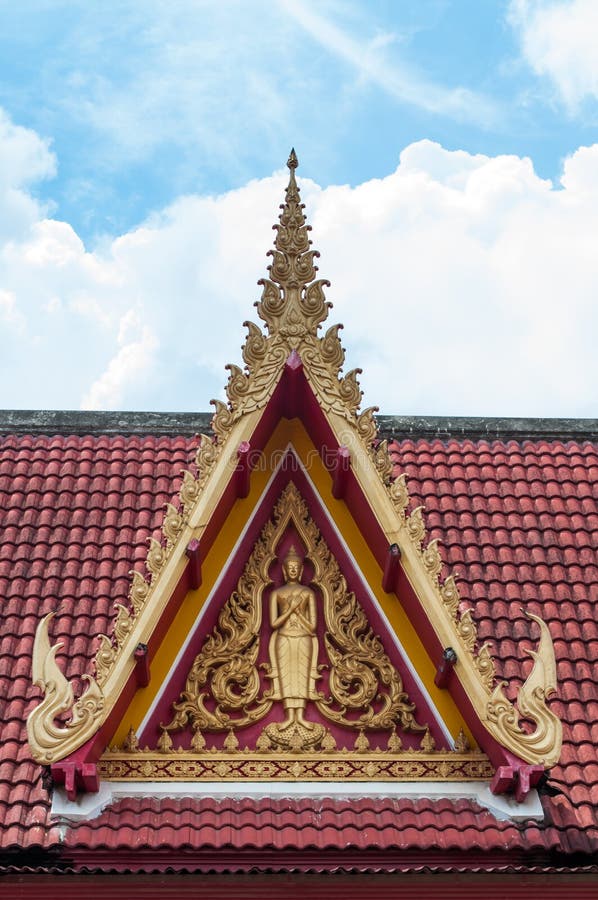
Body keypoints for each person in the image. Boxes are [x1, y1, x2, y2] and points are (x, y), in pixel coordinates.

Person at [267, 546, 319, 729]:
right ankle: (289, 716)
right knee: (287, 675)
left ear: (302, 569)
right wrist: (290, 609)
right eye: (290, 567)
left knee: (301, 675)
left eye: (296, 567)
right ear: (284, 569)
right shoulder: (277, 594)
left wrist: (298, 609)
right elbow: (274, 623)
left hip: (303, 637)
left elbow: (312, 627)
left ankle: (301, 716)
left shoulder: (308, 593)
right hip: (284, 637)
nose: (293, 570)